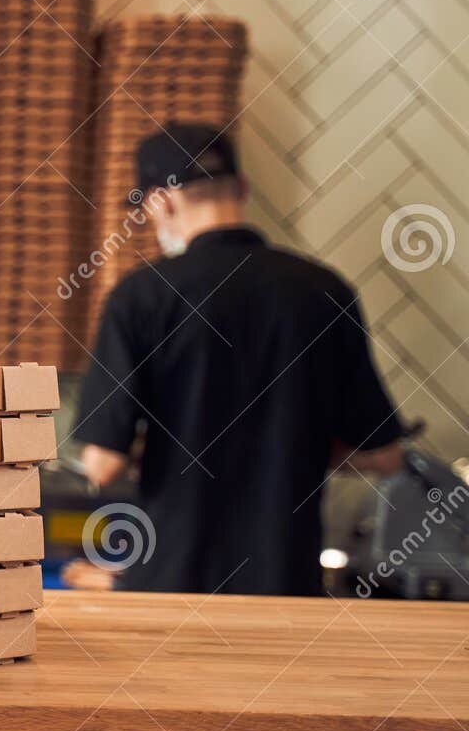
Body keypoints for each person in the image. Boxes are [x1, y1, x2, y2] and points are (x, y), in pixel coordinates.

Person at [73, 123, 406, 596]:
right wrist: (294, 438)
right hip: (285, 583)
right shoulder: (324, 291)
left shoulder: (140, 296)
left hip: (171, 585)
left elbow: (102, 464)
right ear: (243, 189)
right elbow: (385, 455)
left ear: (160, 203)